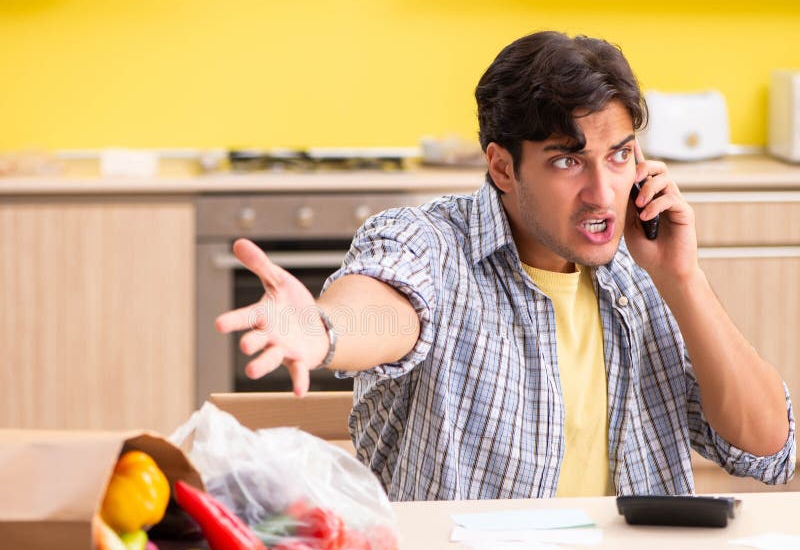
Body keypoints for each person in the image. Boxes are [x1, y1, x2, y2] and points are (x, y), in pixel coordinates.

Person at [216, 31, 795, 501]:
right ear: (502, 168)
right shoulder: (433, 243)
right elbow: (392, 309)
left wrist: (682, 279)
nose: (603, 193)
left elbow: (770, 452)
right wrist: (325, 329)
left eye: (618, 156)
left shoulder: (643, 275)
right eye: (568, 161)